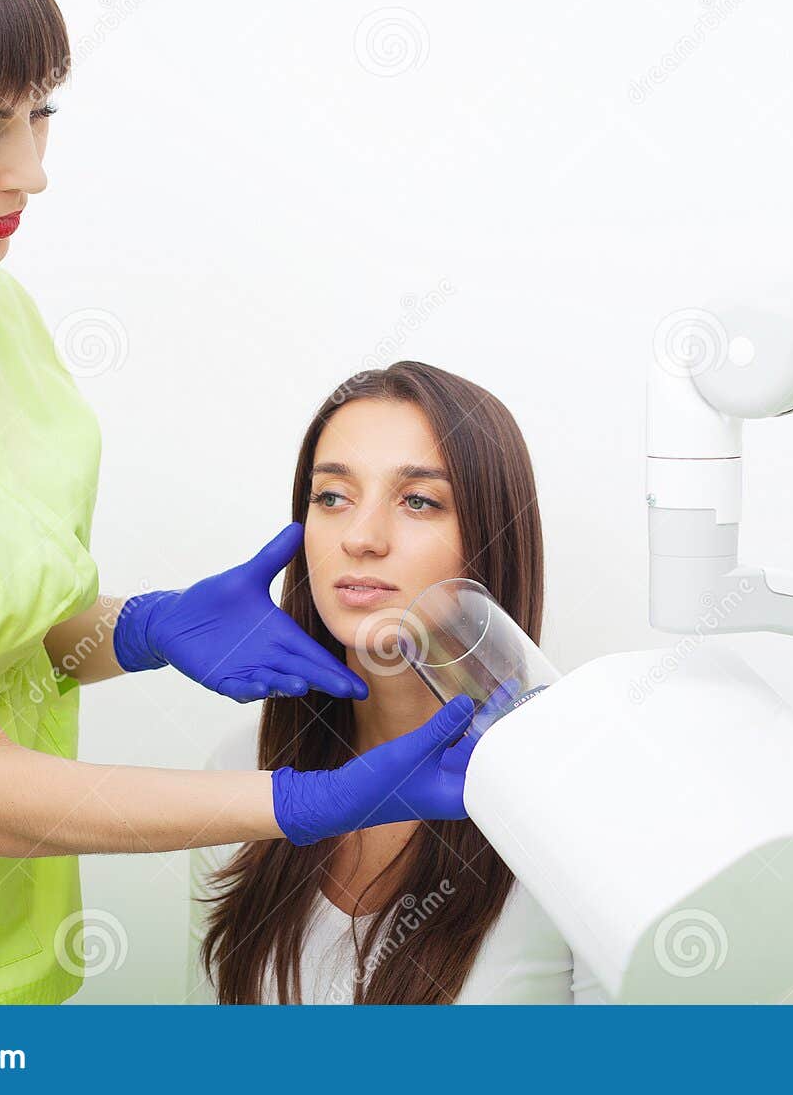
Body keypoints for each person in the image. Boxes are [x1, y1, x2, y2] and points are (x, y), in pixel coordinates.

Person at [0, 0, 476, 1005]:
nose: (30, 171)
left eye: (40, 113)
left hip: (17, 946)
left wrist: (136, 629)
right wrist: (299, 803)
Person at [188, 361, 605, 1004]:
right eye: (332, 496)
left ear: (492, 537)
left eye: (418, 501)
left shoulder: (576, 813)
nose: (360, 537)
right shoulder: (240, 768)